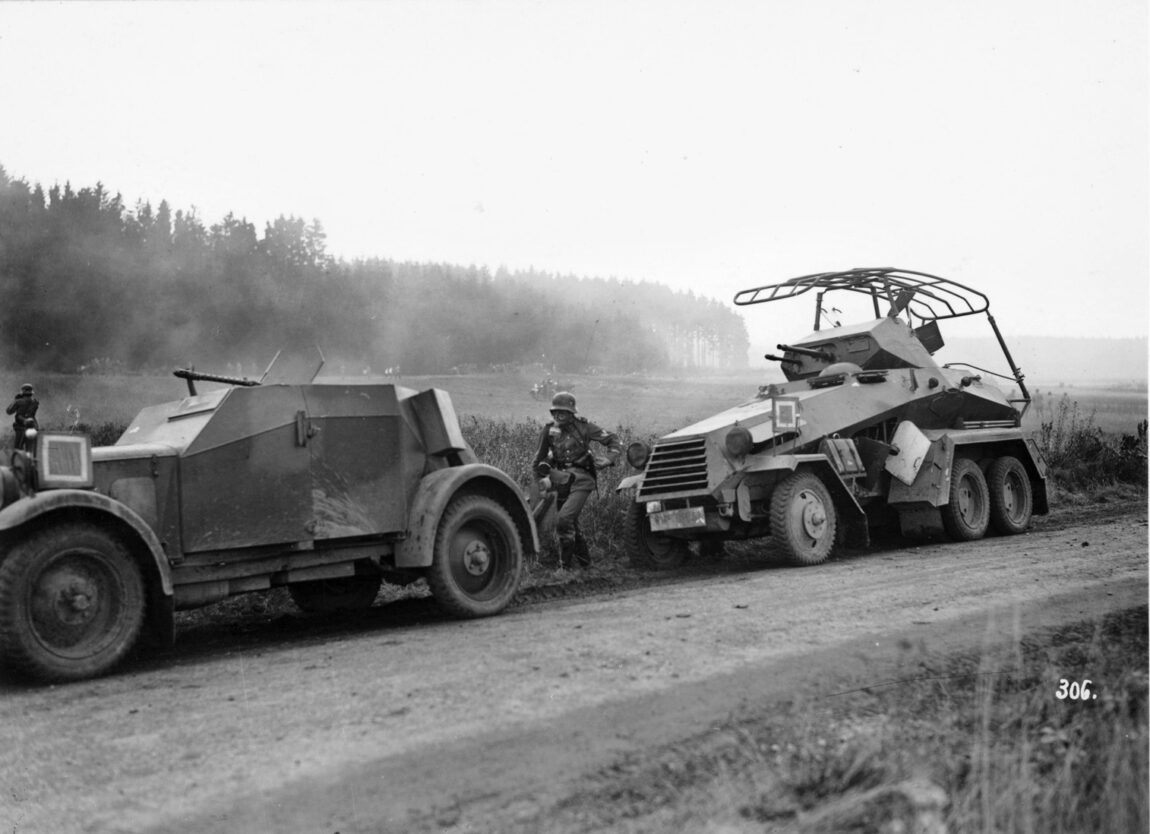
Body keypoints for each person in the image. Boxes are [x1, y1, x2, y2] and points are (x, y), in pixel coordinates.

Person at [533, 391, 623, 569]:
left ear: (572, 412)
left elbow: (614, 440)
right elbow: (538, 461)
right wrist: (540, 483)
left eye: (564, 411)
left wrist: (608, 459)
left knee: (564, 520)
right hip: (561, 480)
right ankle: (585, 565)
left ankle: (564, 568)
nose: (559, 415)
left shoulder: (584, 427)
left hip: (582, 480)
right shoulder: (549, 430)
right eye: (556, 411)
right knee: (571, 523)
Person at [7, 383, 40, 451]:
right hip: (33, 426)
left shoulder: (18, 401)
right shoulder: (35, 402)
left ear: (22, 392)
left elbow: (9, 411)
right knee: (30, 448)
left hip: (21, 427)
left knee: (17, 449)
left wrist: (15, 400)